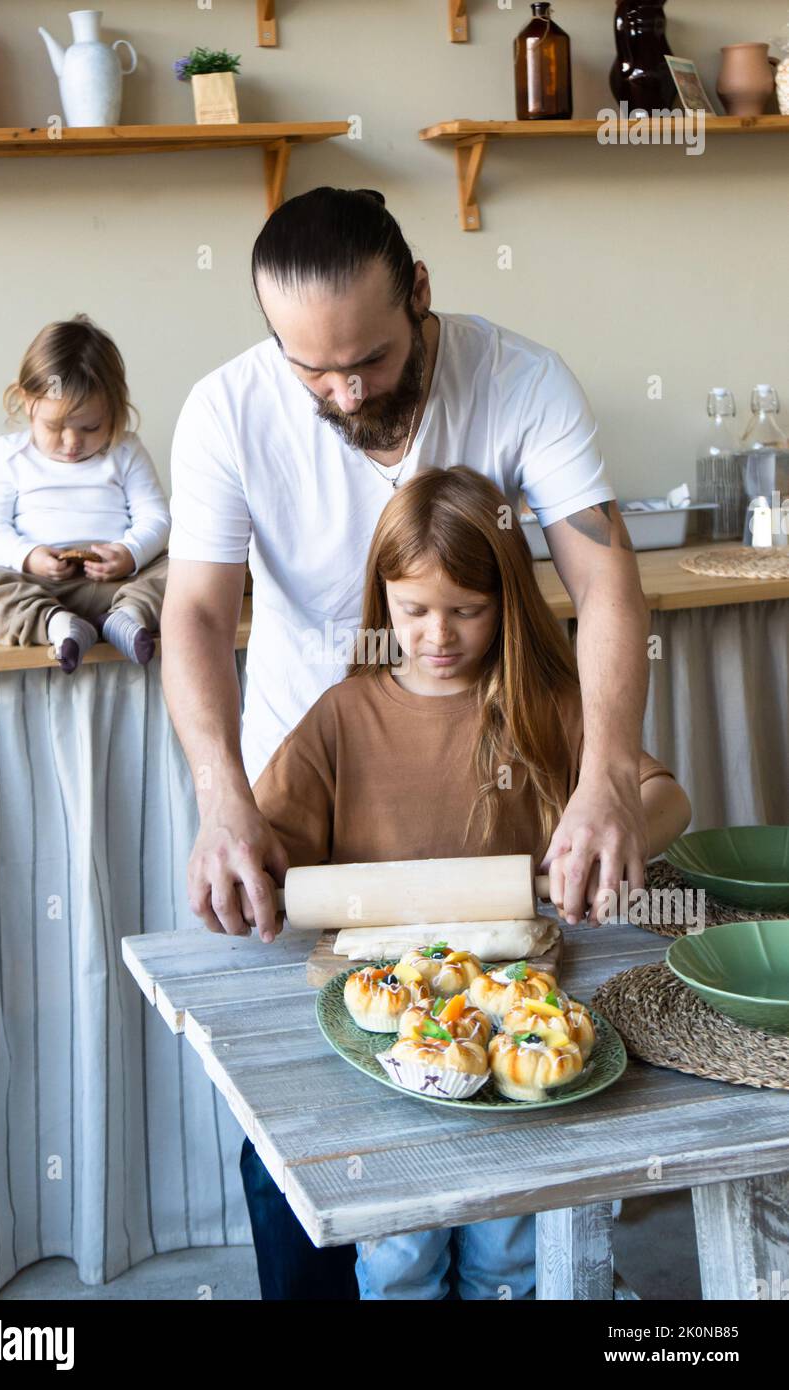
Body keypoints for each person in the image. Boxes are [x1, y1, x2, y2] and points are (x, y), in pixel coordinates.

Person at [161, 187, 653, 1298]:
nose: (345, 393)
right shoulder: (226, 410)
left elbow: (603, 577)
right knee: (304, 1114)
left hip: (478, 811)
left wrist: (606, 774)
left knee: (489, 1145)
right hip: (310, 810)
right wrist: (220, 797)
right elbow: (192, 616)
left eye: (371, 361)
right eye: (313, 371)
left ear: (420, 292)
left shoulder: (521, 378)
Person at [250, 465, 691, 1299]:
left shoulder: (547, 704)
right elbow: (269, 849)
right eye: (413, 611)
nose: (438, 635)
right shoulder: (343, 716)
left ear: (508, 603)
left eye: (467, 610)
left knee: (509, 1260)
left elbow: (668, 797)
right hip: (383, 1038)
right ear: (382, 601)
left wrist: (606, 832)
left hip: (525, 1024)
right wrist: (241, 853)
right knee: (400, 1259)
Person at [0, 313, 170, 673]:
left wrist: (130, 554)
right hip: (40, 585)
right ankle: (59, 625)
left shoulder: (125, 450)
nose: (72, 443)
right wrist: (29, 556)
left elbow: (156, 518)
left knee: (184, 567)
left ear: (114, 410)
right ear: (27, 402)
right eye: (54, 427)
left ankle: (127, 618)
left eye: (91, 427)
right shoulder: (10, 455)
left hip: (117, 583)